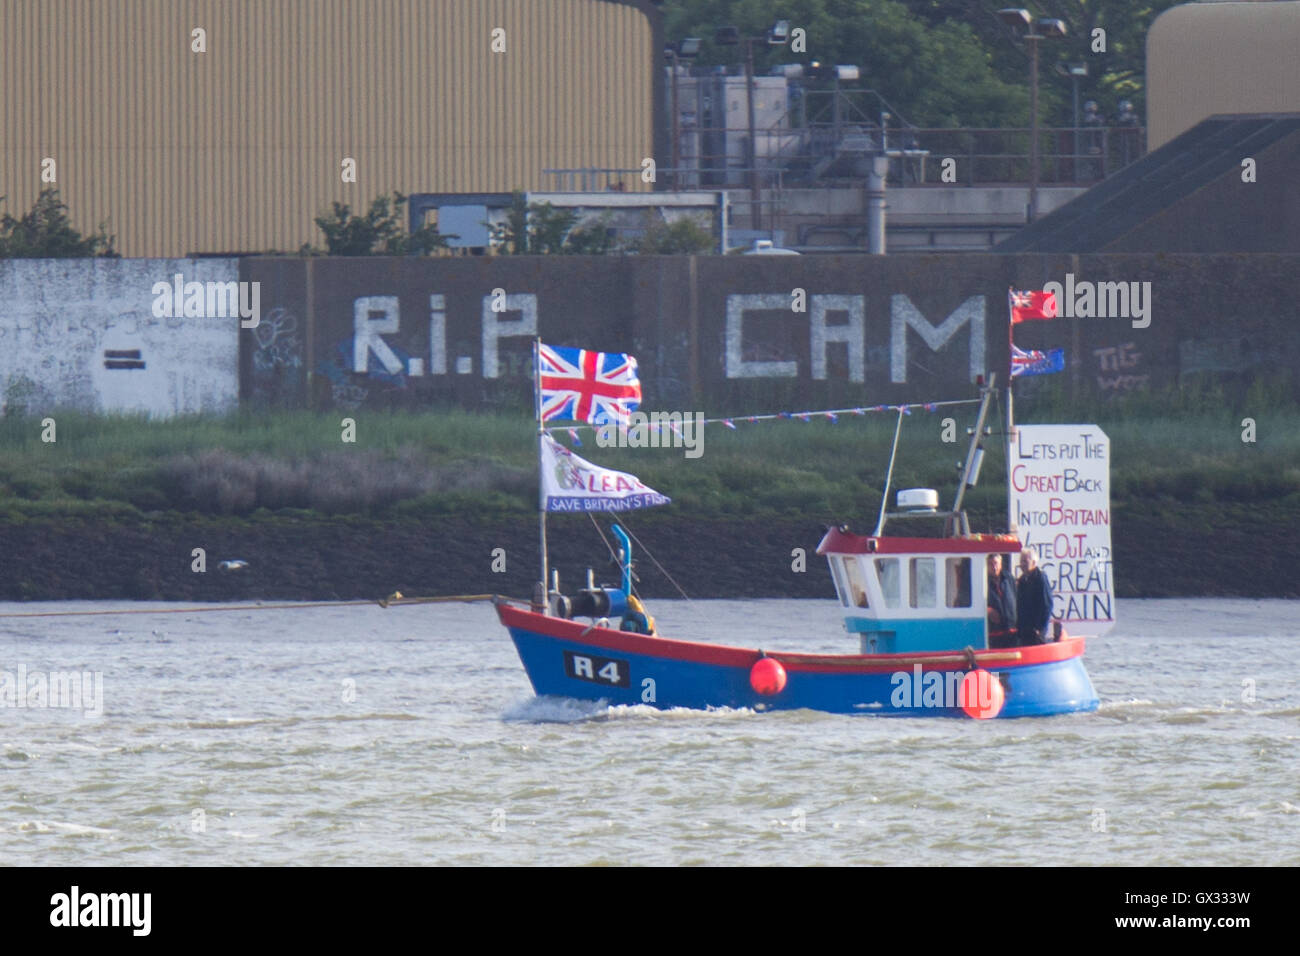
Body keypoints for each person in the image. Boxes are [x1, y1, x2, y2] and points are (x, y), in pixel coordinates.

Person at [1015, 548, 1055, 646]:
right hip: (1024, 631)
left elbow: (1047, 605)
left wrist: (1040, 629)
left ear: (1034, 562)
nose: (1022, 564)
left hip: (1036, 631)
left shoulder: (1040, 578)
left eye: (1025, 561)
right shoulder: (1022, 580)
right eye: (1021, 561)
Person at [986, 553, 1017, 647]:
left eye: (996, 563)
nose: (994, 567)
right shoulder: (982, 581)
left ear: (1001, 564)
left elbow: (1016, 597)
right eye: (990, 564)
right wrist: (987, 610)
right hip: (993, 633)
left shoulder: (1008, 578)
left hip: (1011, 630)